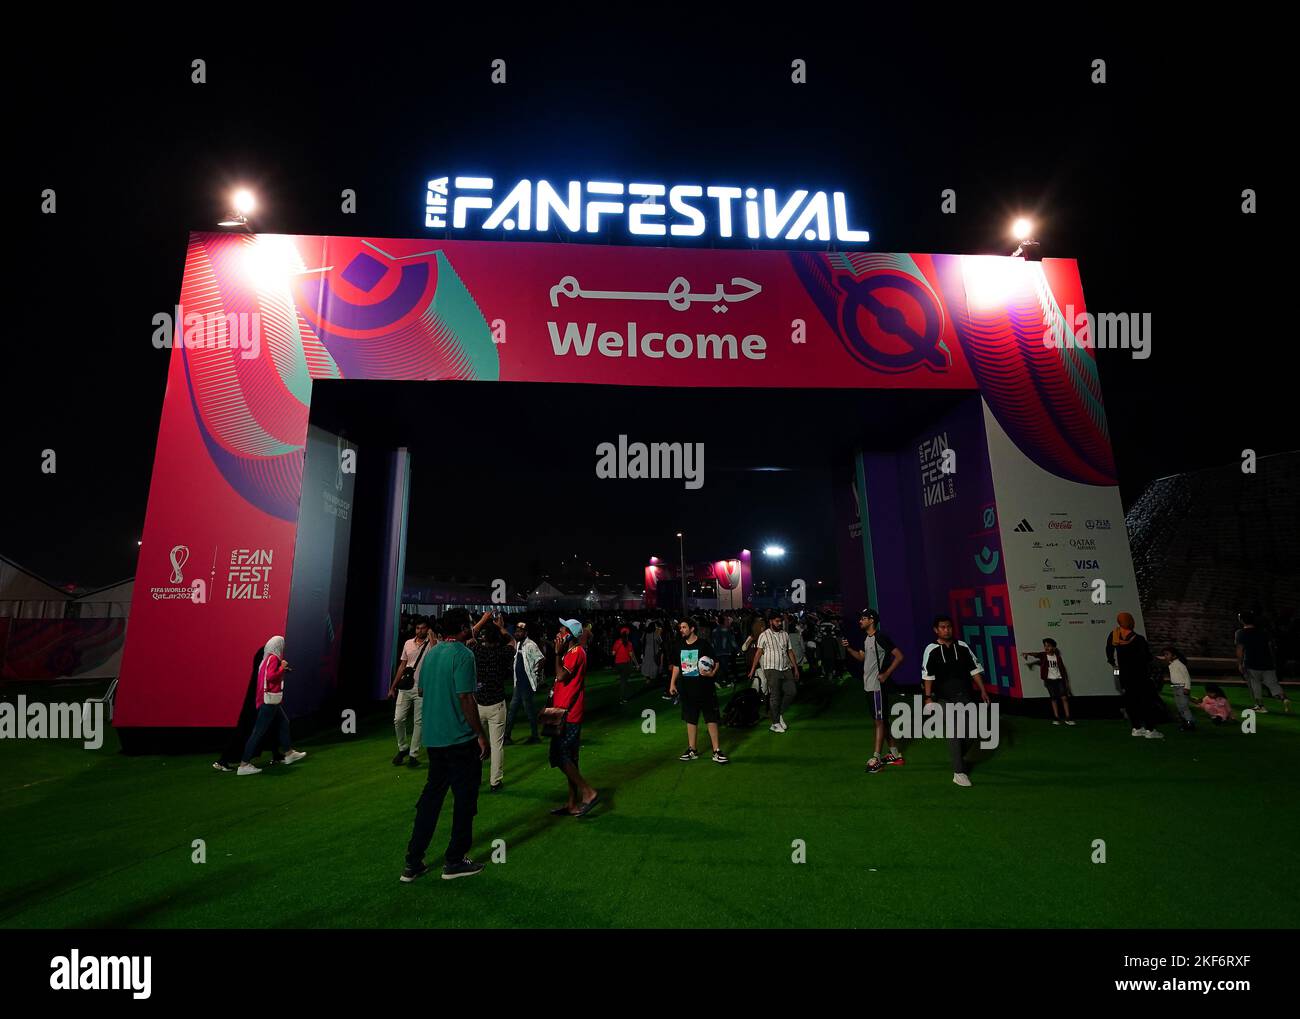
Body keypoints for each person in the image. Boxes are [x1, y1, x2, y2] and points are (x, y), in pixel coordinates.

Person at [400, 608, 489, 882]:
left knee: (430, 801)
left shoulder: (433, 653)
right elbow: (465, 698)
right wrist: (480, 733)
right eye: (471, 625)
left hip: (435, 741)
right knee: (465, 801)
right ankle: (454, 861)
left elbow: (424, 690)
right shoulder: (464, 655)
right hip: (460, 740)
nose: (473, 628)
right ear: (463, 628)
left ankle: (413, 862)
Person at [921, 615, 990, 787]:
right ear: (936, 630)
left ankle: (958, 756)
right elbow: (928, 676)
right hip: (943, 698)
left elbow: (974, 670)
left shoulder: (963, 646)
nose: (947, 630)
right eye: (943, 627)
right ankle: (959, 772)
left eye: (949, 627)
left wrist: (982, 690)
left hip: (965, 696)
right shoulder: (931, 649)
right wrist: (928, 698)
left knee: (973, 732)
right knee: (955, 729)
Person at [543, 619, 599, 817]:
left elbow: (560, 676)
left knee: (560, 756)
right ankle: (572, 804)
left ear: (570, 634)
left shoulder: (575, 653)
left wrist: (556, 655)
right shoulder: (573, 652)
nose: (559, 630)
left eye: (563, 629)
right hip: (562, 710)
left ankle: (588, 792)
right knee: (570, 759)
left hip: (568, 713)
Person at [842, 608, 905, 773]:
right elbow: (862, 658)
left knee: (879, 721)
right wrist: (849, 649)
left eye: (863, 618)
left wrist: (886, 674)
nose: (860, 621)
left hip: (877, 687)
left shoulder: (880, 637)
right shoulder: (867, 638)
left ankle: (876, 758)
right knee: (882, 720)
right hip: (869, 686)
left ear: (871, 620)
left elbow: (899, 656)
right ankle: (894, 754)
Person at [237, 636, 307, 775]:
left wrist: (282, 669)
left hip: (267, 700)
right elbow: (270, 677)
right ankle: (244, 765)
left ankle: (289, 753)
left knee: (283, 722)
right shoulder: (274, 659)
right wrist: (281, 667)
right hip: (269, 701)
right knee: (258, 732)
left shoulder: (266, 659)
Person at [214, 644, 284, 771]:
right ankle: (226, 760)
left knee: (271, 725)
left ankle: (276, 755)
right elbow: (269, 678)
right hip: (259, 700)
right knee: (250, 730)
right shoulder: (267, 659)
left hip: (261, 699)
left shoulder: (264, 658)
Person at [669, 617, 729, 764]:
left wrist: (712, 673)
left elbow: (716, 662)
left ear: (692, 628)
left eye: (684, 627)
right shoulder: (678, 646)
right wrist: (672, 684)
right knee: (690, 720)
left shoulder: (704, 644)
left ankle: (716, 751)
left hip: (705, 689)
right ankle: (692, 749)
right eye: (680, 628)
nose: (681, 630)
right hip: (687, 690)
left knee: (711, 719)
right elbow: (677, 666)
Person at [471, 613, 513, 791]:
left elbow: (471, 633)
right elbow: (512, 642)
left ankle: (475, 778)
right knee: (497, 746)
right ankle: (495, 781)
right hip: (496, 703)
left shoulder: (477, 651)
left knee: (476, 744)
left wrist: (483, 619)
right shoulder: (502, 653)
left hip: (478, 704)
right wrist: (501, 627)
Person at [1105, 611, 1163, 739]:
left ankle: (1136, 727)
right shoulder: (1138, 639)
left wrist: (1115, 667)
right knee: (1145, 701)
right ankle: (1150, 729)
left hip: (1120, 674)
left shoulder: (1113, 635)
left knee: (1129, 700)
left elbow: (1109, 655)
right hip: (1139, 676)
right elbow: (1146, 658)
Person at [389, 617, 434, 767]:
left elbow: (434, 657)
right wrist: (392, 687)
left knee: (418, 722)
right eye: (417, 628)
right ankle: (403, 748)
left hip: (422, 687)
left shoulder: (432, 644)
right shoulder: (408, 643)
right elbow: (402, 665)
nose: (419, 630)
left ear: (428, 628)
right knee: (398, 719)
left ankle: (413, 754)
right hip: (405, 686)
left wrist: (432, 638)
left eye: (422, 628)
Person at [1234, 612, 1291, 713]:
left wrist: (1239, 663)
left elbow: (1240, 649)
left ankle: (1260, 706)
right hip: (1267, 662)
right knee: (1273, 685)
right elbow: (1271, 647)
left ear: (1242, 620)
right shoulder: (1264, 632)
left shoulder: (1240, 633)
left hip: (1251, 663)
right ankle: (1284, 699)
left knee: (1254, 685)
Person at [752, 611, 799, 732]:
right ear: (770, 621)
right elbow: (758, 652)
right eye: (777, 621)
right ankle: (775, 723)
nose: (779, 623)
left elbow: (790, 651)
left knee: (792, 691)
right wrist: (752, 669)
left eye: (780, 621)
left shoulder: (785, 634)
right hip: (771, 667)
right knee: (775, 695)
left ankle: (778, 714)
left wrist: (795, 667)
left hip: (785, 667)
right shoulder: (764, 635)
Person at [505, 620, 544, 744]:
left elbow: (542, 659)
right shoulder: (518, 644)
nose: (517, 633)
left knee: (528, 711)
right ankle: (508, 736)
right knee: (514, 711)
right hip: (519, 683)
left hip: (526, 684)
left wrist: (535, 672)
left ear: (525, 632)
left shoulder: (530, 644)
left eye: (520, 631)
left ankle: (534, 736)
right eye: (516, 631)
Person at [1021, 637, 1074, 726]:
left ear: (1053, 648)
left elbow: (1063, 670)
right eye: (1045, 646)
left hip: (1059, 679)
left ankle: (1068, 717)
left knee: (1064, 697)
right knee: (1053, 698)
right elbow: (1036, 654)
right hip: (1049, 681)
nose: (1046, 648)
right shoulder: (1043, 655)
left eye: (1049, 646)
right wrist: (1027, 654)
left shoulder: (1058, 657)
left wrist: (1067, 683)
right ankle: (1056, 717)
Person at [1158, 646, 1195, 731]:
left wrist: (1187, 688)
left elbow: (1187, 677)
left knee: (1184, 706)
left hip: (1182, 687)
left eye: (1167, 654)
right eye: (1164, 654)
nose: (1165, 656)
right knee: (1179, 705)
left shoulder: (1180, 664)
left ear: (1174, 656)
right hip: (1177, 687)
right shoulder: (1172, 664)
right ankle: (1185, 721)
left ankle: (1190, 723)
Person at [612, 627, 640, 704]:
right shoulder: (629, 643)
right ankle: (622, 698)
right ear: (628, 635)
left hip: (618, 664)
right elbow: (631, 655)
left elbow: (613, 653)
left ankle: (622, 695)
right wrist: (637, 664)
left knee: (623, 680)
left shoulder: (617, 642)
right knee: (624, 681)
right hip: (626, 664)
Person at [641, 620, 664, 691]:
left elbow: (641, 640)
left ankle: (647, 678)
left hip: (647, 651)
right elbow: (660, 641)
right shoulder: (655, 634)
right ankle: (653, 678)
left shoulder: (646, 633)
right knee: (654, 664)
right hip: (654, 651)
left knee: (647, 664)